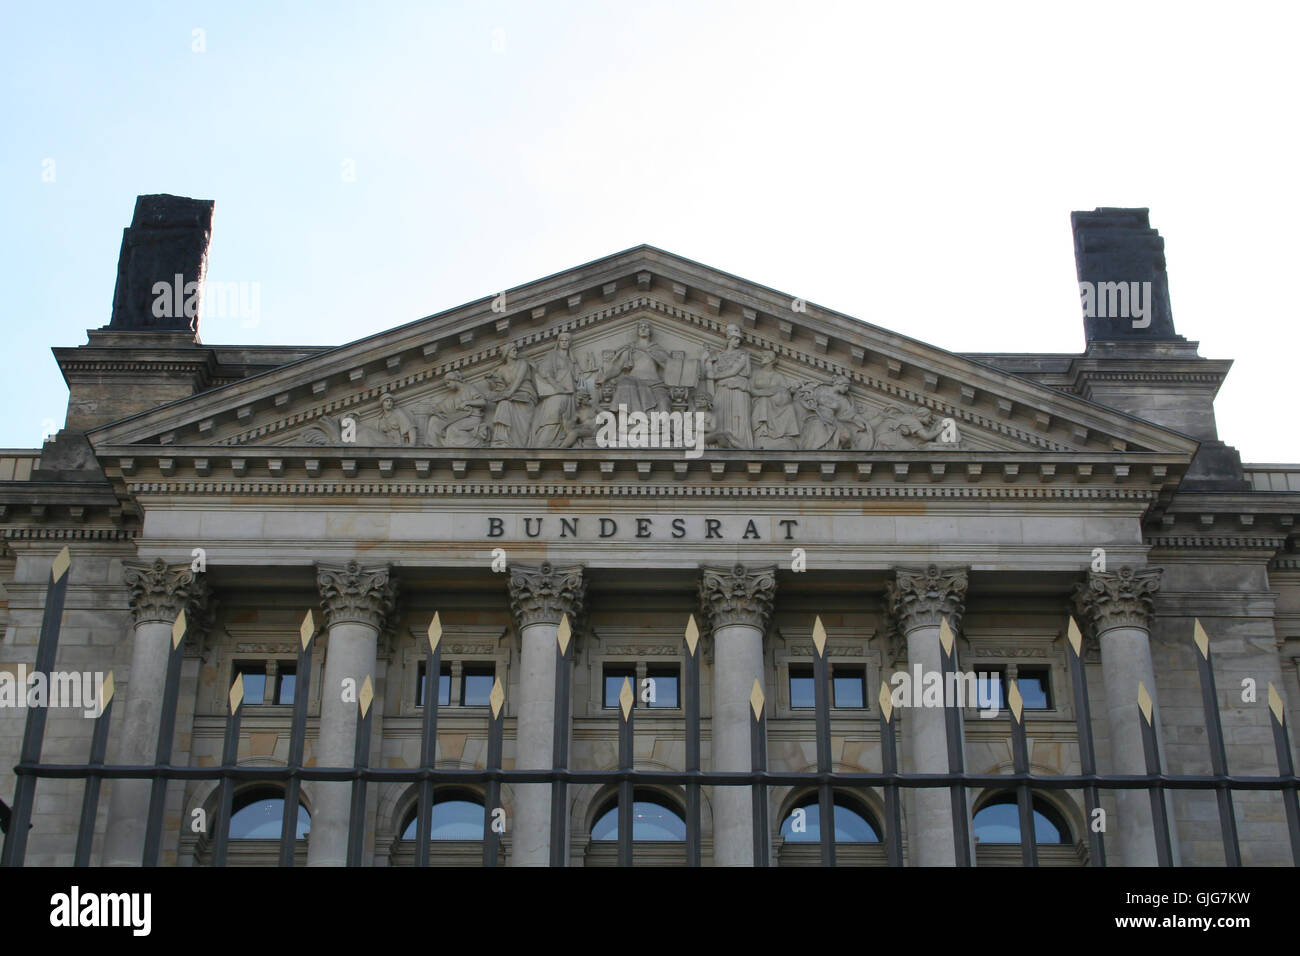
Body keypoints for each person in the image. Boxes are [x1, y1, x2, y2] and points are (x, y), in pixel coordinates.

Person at [702, 324, 752, 448]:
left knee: (738, 418)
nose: (738, 341)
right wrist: (706, 359)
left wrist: (714, 376)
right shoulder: (719, 356)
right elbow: (706, 372)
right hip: (722, 389)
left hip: (738, 390)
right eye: (735, 338)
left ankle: (741, 444)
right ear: (729, 339)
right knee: (720, 416)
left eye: (739, 339)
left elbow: (734, 371)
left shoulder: (743, 355)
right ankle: (720, 442)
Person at [531, 332, 578, 447]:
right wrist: (557, 386)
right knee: (552, 419)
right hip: (555, 395)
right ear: (558, 342)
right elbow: (544, 372)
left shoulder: (571, 359)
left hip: (569, 395)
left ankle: (561, 442)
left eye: (567, 340)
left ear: (570, 343)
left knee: (565, 421)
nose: (564, 342)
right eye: (562, 340)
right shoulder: (553, 355)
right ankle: (543, 444)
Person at [489, 343, 537, 447]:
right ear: (506, 353)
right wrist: (493, 380)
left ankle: (520, 444)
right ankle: (502, 440)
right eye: (513, 350)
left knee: (523, 426)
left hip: (525, 395)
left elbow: (519, 380)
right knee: (503, 404)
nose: (516, 352)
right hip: (509, 396)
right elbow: (499, 388)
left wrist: (510, 393)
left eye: (516, 350)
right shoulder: (501, 370)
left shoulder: (522, 363)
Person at [750, 350, 800, 449]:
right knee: (764, 400)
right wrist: (770, 392)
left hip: (777, 403)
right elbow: (751, 390)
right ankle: (763, 433)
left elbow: (786, 393)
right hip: (759, 400)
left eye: (765, 356)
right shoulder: (756, 373)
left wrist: (793, 389)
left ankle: (786, 436)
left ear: (771, 360)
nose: (762, 357)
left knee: (789, 408)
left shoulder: (779, 376)